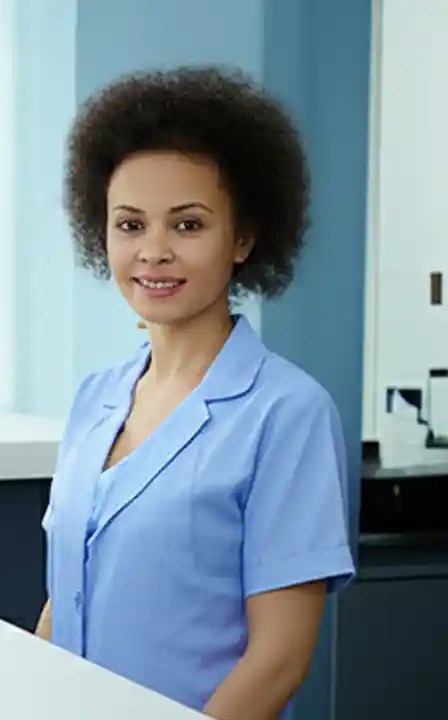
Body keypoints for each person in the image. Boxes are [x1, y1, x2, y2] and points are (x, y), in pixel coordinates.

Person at [35, 67, 354, 718]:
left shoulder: (286, 413)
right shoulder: (95, 399)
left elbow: (279, 661)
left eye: (186, 226)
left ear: (242, 238)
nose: (153, 252)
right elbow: (66, 596)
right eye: (129, 225)